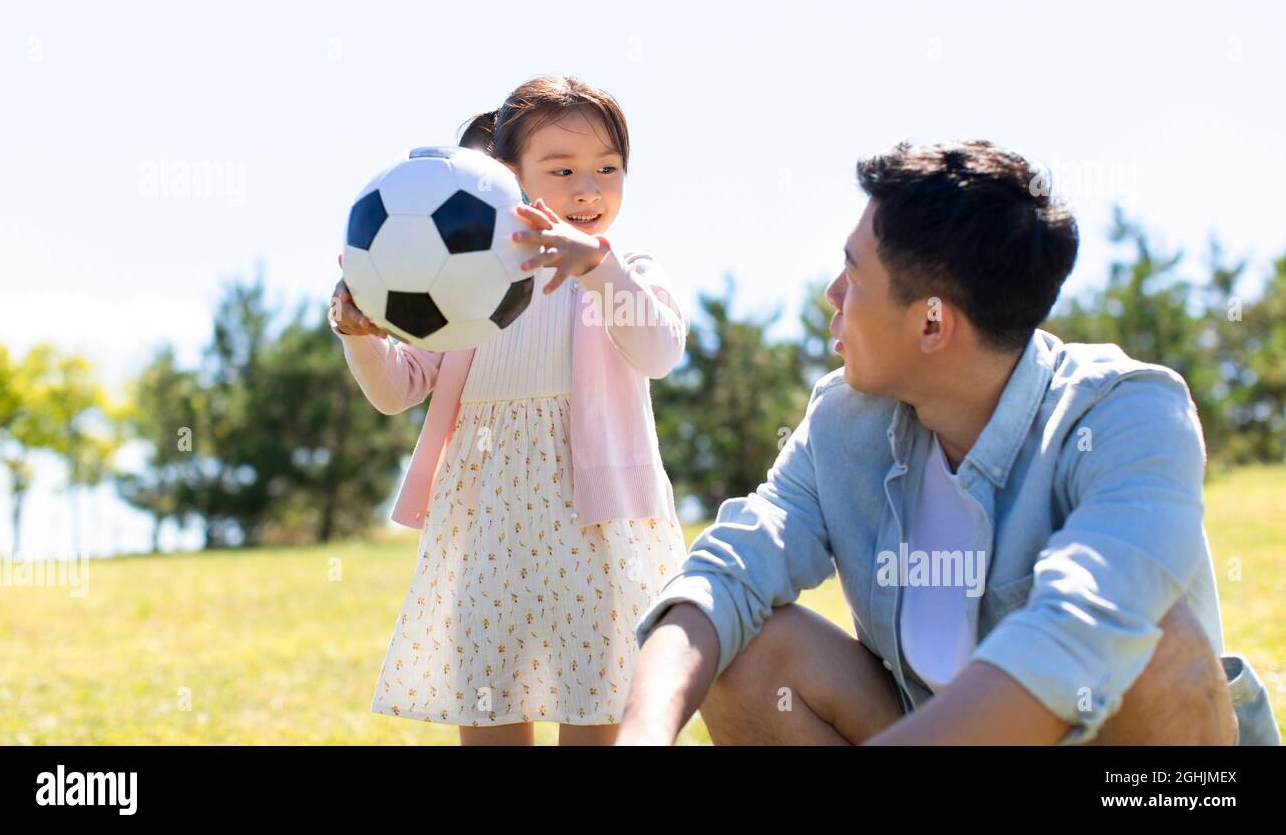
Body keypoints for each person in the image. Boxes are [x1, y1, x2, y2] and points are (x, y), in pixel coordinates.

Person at [616, 139, 1281, 746]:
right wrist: (644, 733)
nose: (832, 294)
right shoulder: (844, 422)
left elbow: (1076, 639)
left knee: (1157, 645)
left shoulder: (1130, 416)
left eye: (854, 273)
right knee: (750, 649)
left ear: (933, 323)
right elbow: (729, 572)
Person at [329, 74, 688, 745]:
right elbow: (395, 390)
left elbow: (660, 348)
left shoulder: (627, 265)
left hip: (594, 529)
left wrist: (599, 269)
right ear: (505, 178)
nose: (590, 188)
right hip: (485, 525)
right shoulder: (468, 274)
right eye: (563, 170)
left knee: (594, 711)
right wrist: (362, 337)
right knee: (490, 712)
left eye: (608, 169)